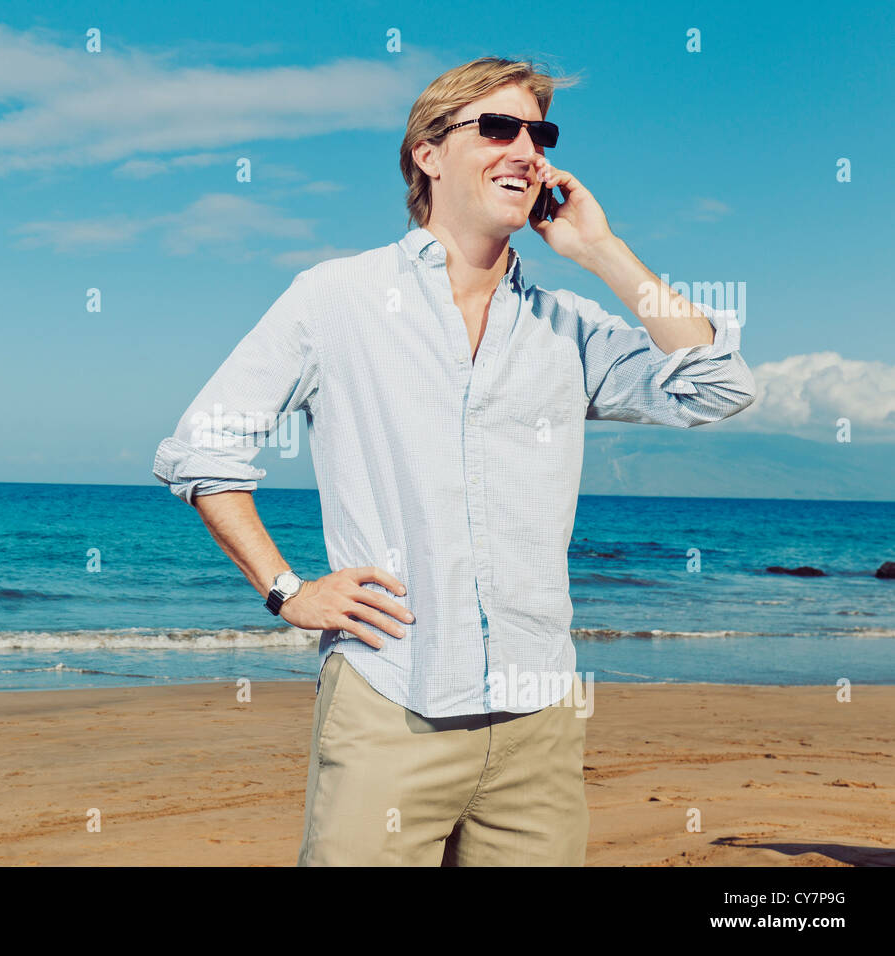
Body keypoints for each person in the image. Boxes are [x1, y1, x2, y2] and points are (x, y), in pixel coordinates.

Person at [151, 56, 756, 866]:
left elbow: (718, 387)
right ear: (427, 154)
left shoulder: (568, 325)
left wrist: (604, 251)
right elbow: (204, 448)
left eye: (537, 133)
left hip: (538, 722)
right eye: (496, 128)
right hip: (392, 704)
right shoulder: (337, 298)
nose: (524, 149)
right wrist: (287, 590)